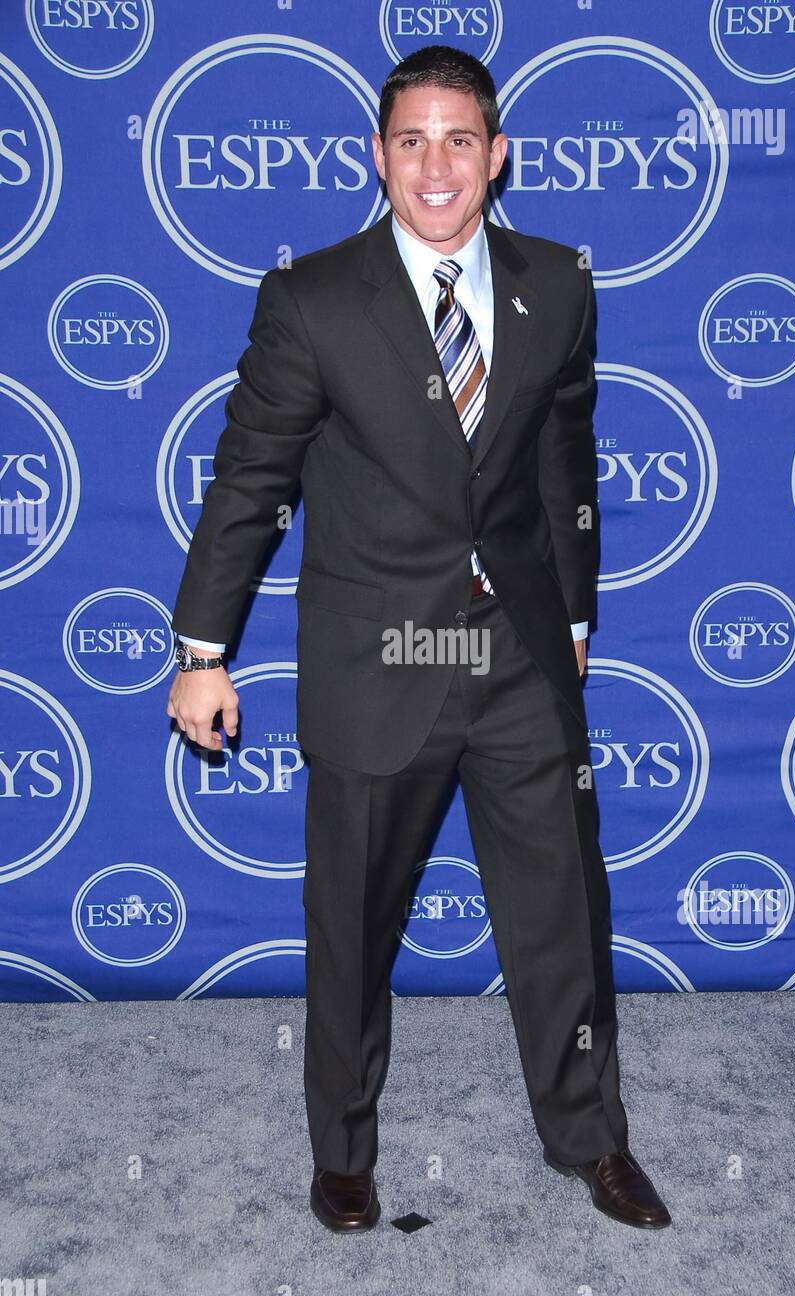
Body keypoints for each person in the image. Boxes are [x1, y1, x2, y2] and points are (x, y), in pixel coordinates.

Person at [166, 45, 670, 1234]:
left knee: (561, 915)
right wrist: (201, 651)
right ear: (378, 155)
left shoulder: (555, 282)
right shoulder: (316, 299)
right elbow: (251, 476)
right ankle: (342, 1153)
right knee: (350, 925)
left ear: (494, 157)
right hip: (378, 657)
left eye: (458, 140)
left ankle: (591, 1138)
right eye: (410, 141)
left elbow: (560, 461)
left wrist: (578, 614)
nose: (434, 165)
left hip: (517, 663)